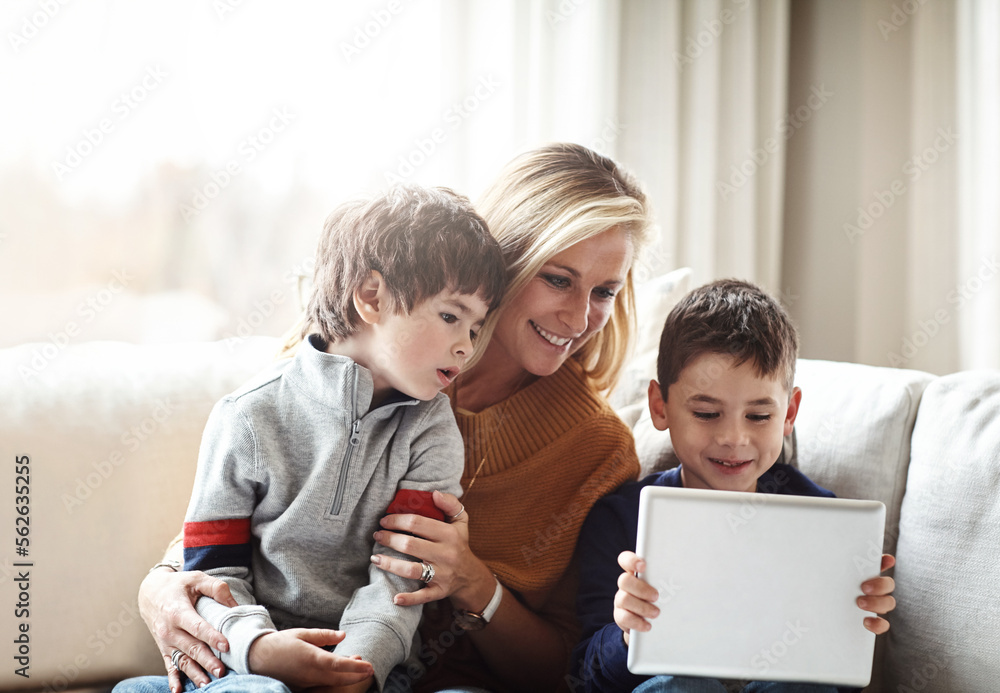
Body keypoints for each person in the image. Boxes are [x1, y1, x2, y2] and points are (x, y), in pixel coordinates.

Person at [135, 143, 654, 693]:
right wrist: (163, 585)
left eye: (604, 292)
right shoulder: (366, 354)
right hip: (270, 656)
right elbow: (234, 517)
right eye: (557, 279)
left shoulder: (597, 449)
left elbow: (567, 669)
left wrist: (472, 581)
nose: (578, 318)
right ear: (505, 264)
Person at [115, 185, 507, 693]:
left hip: (372, 673)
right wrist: (255, 649)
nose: (465, 346)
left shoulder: (432, 431)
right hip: (247, 666)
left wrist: (358, 666)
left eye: (476, 329)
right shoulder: (248, 415)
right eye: (451, 316)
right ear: (371, 297)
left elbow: (401, 576)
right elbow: (212, 570)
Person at [570, 279, 897, 693]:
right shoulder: (621, 520)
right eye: (707, 413)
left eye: (759, 417)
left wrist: (852, 624)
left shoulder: (819, 518)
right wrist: (626, 634)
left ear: (789, 413)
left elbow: (838, 681)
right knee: (680, 686)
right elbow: (585, 679)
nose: (734, 438)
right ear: (660, 407)